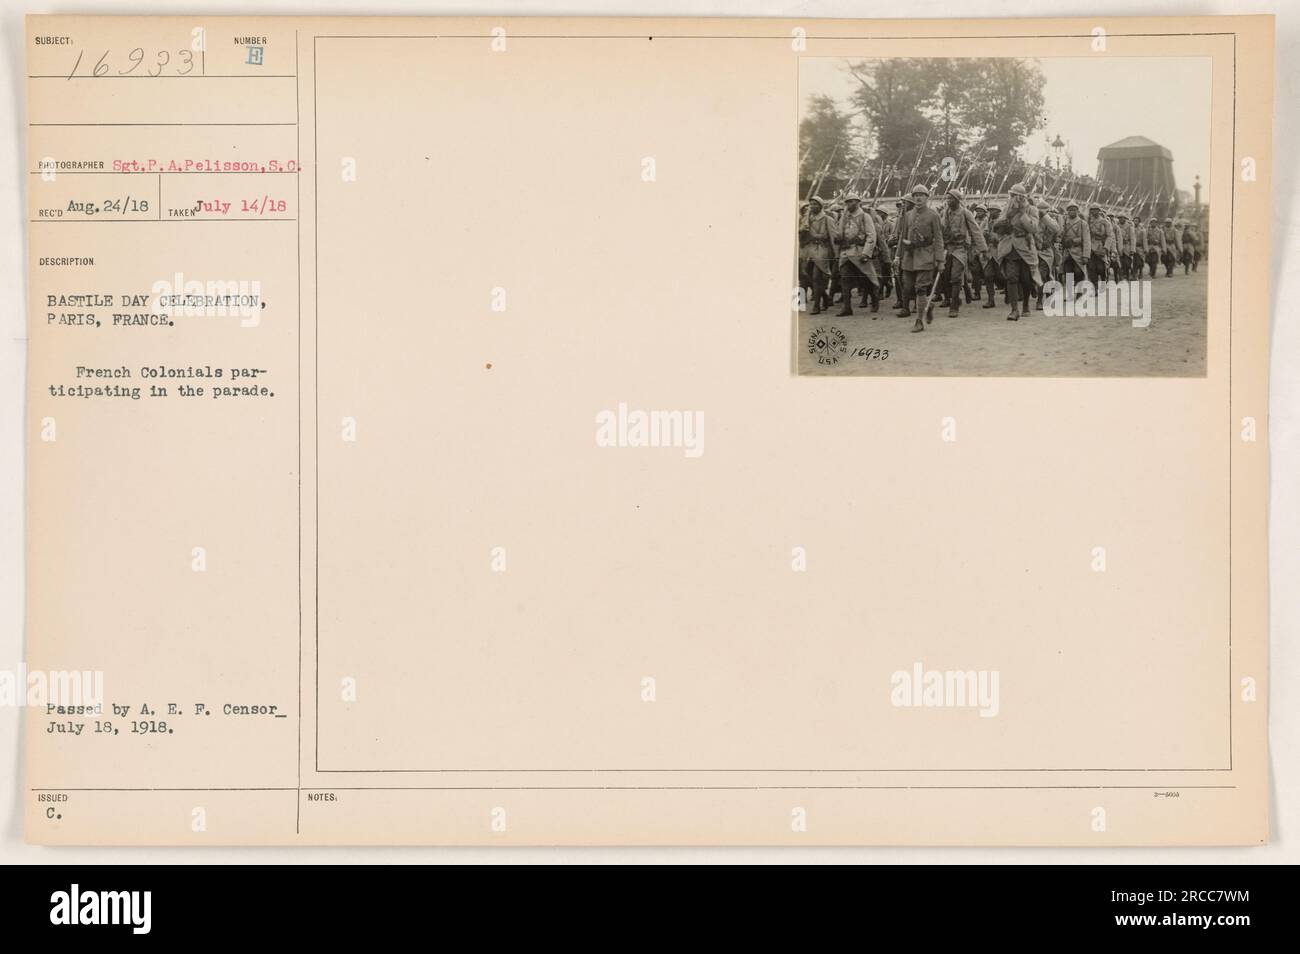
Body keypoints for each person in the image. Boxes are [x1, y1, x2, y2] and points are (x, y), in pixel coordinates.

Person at [893, 184, 944, 333]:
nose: (918, 198)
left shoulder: (933, 215)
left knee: (920, 288)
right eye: (915, 195)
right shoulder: (908, 215)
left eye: (922, 195)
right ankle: (927, 305)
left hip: (925, 256)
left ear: (927, 198)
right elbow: (902, 237)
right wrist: (897, 256)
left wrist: (940, 261)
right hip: (909, 257)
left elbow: (939, 239)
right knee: (908, 287)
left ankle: (919, 321)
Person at [991, 183, 1040, 322]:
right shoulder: (1006, 209)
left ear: (1022, 197)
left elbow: (1033, 228)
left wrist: (1022, 213)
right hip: (1010, 248)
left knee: (1025, 279)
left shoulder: (1031, 210)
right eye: (1011, 195)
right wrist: (1003, 223)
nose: (1012, 198)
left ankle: (1025, 305)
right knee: (1011, 278)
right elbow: (997, 226)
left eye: (1015, 196)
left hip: (1025, 248)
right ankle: (1014, 310)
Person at [938, 189, 988, 317]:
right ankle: (953, 298)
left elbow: (975, 231)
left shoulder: (966, 213)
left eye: (951, 198)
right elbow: (940, 230)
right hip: (947, 248)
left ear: (957, 200)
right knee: (945, 276)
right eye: (947, 198)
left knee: (956, 278)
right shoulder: (945, 213)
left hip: (960, 249)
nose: (948, 201)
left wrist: (983, 249)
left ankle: (954, 307)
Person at [831, 193, 879, 316]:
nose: (850, 204)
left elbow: (871, 235)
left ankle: (874, 300)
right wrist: (838, 237)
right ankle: (847, 307)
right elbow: (839, 232)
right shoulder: (844, 217)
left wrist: (866, 253)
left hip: (860, 252)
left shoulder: (865, 216)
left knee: (866, 279)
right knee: (845, 279)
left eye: (853, 201)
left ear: (858, 203)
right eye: (848, 202)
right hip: (846, 253)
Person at [798, 196, 834, 314]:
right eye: (811, 204)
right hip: (809, 251)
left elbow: (833, 237)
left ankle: (816, 306)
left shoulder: (827, 219)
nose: (813, 206)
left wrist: (836, 254)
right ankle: (826, 297)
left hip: (822, 250)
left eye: (815, 204)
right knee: (809, 277)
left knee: (816, 277)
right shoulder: (807, 219)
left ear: (821, 205)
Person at [1058, 201, 1090, 293]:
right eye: (1070, 210)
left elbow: (1087, 240)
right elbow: (1060, 235)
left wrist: (1086, 256)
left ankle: (1079, 291)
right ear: (1067, 211)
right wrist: (1062, 241)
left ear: (1077, 211)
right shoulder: (1064, 222)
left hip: (1078, 251)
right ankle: (1069, 293)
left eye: (1074, 210)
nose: (1072, 212)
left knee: (1079, 272)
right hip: (1067, 252)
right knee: (1068, 273)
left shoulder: (1082, 223)